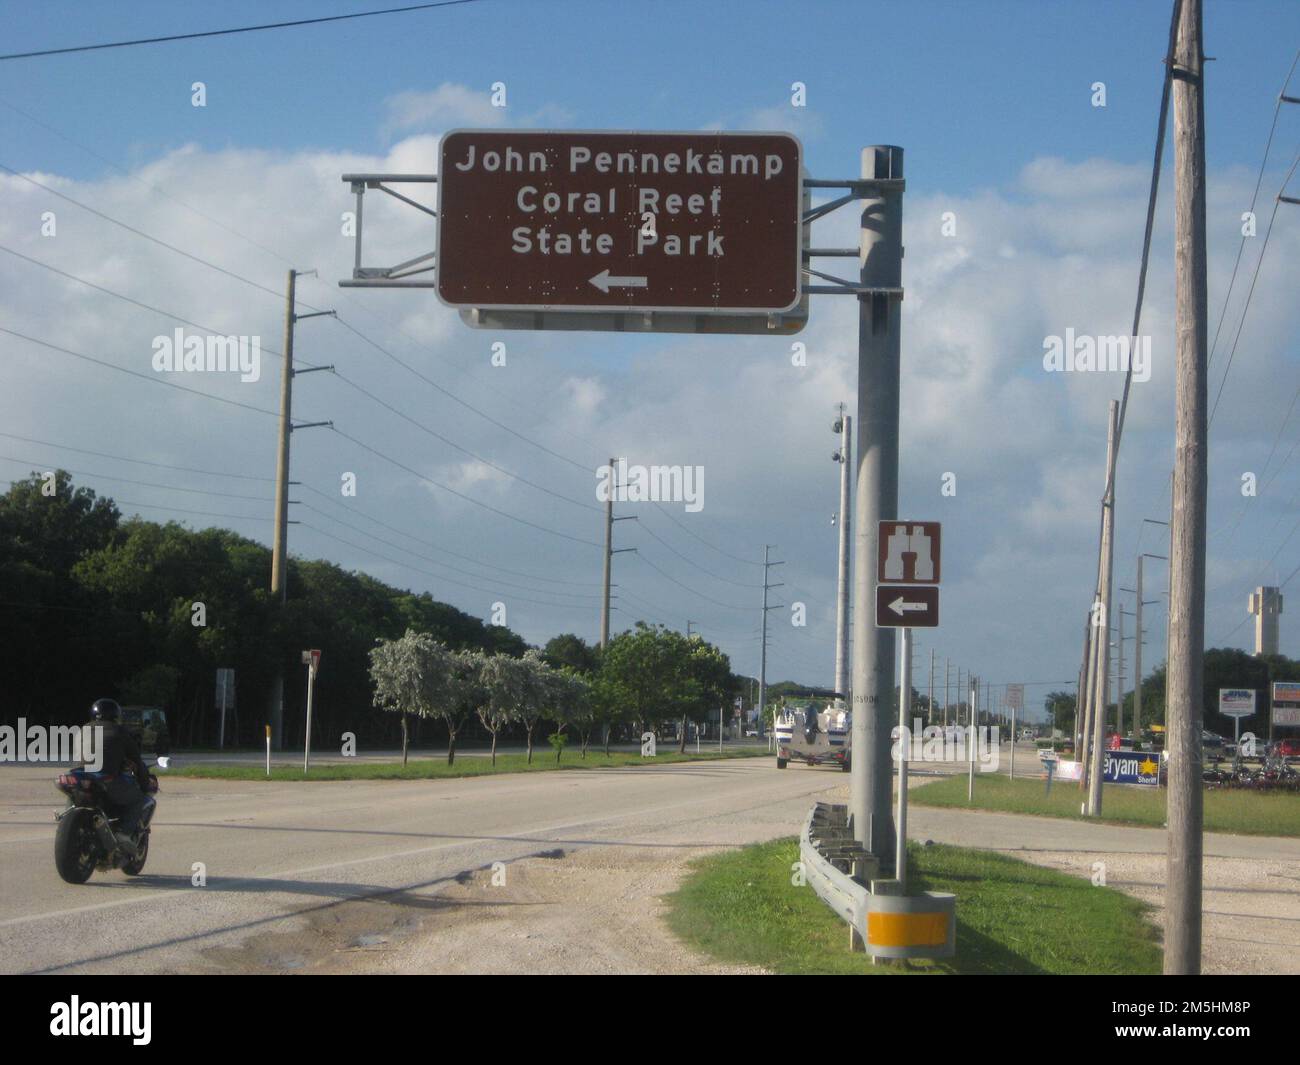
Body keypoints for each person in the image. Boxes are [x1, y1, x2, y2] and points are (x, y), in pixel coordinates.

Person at [89, 698, 150, 855]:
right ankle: (123, 834)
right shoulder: (120, 732)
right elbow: (137, 760)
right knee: (139, 800)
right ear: (115, 715)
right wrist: (144, 785)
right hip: (106, 779)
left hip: (81, 777)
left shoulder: (84, 729)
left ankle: (66, 819)